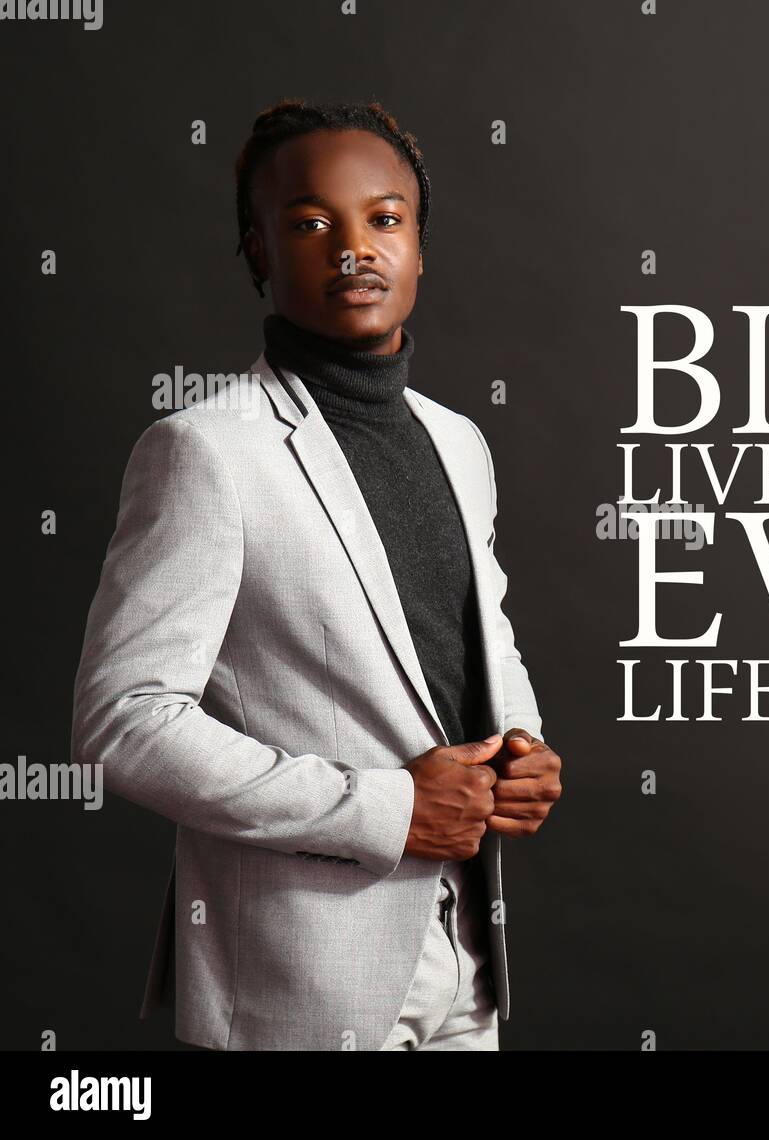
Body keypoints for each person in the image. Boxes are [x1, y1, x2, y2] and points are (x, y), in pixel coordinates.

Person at [71, 99, 562, 1051]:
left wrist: (522, 745)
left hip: (471, 954)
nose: (352, 248)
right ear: (257, 250)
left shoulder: (459, 442)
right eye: (309, 222)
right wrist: (389, 808)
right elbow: (121, 720)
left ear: (420, 245)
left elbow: (476, 636)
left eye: (384, 218)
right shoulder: (205, 452)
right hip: (302, 977)